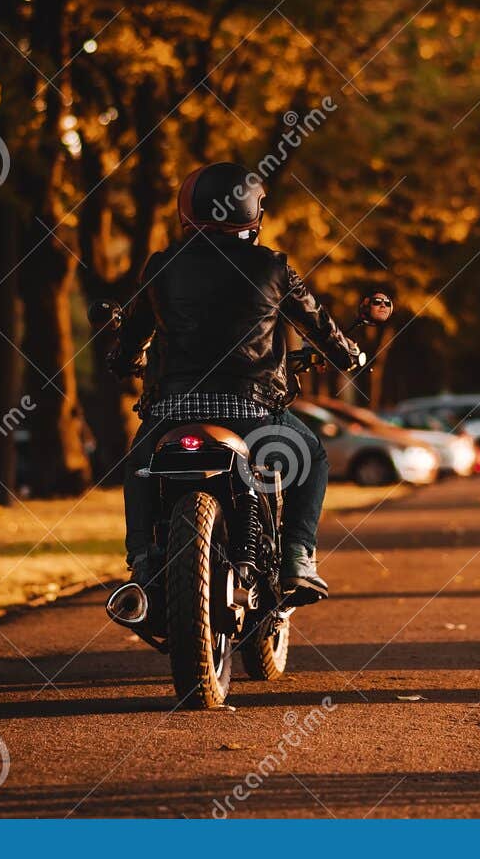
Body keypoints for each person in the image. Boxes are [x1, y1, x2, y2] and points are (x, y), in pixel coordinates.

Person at [107, 161, 365, 606]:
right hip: (251, 412)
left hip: (173, 410)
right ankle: (298, 558)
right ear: (253, 211)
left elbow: (133, 336)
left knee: (139, 467)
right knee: (314, 458)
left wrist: (125, 360)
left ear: (187, 209)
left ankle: (143, 564)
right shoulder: (272, 267)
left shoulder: (162, 267)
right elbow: (319, 325)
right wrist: (350, 355)